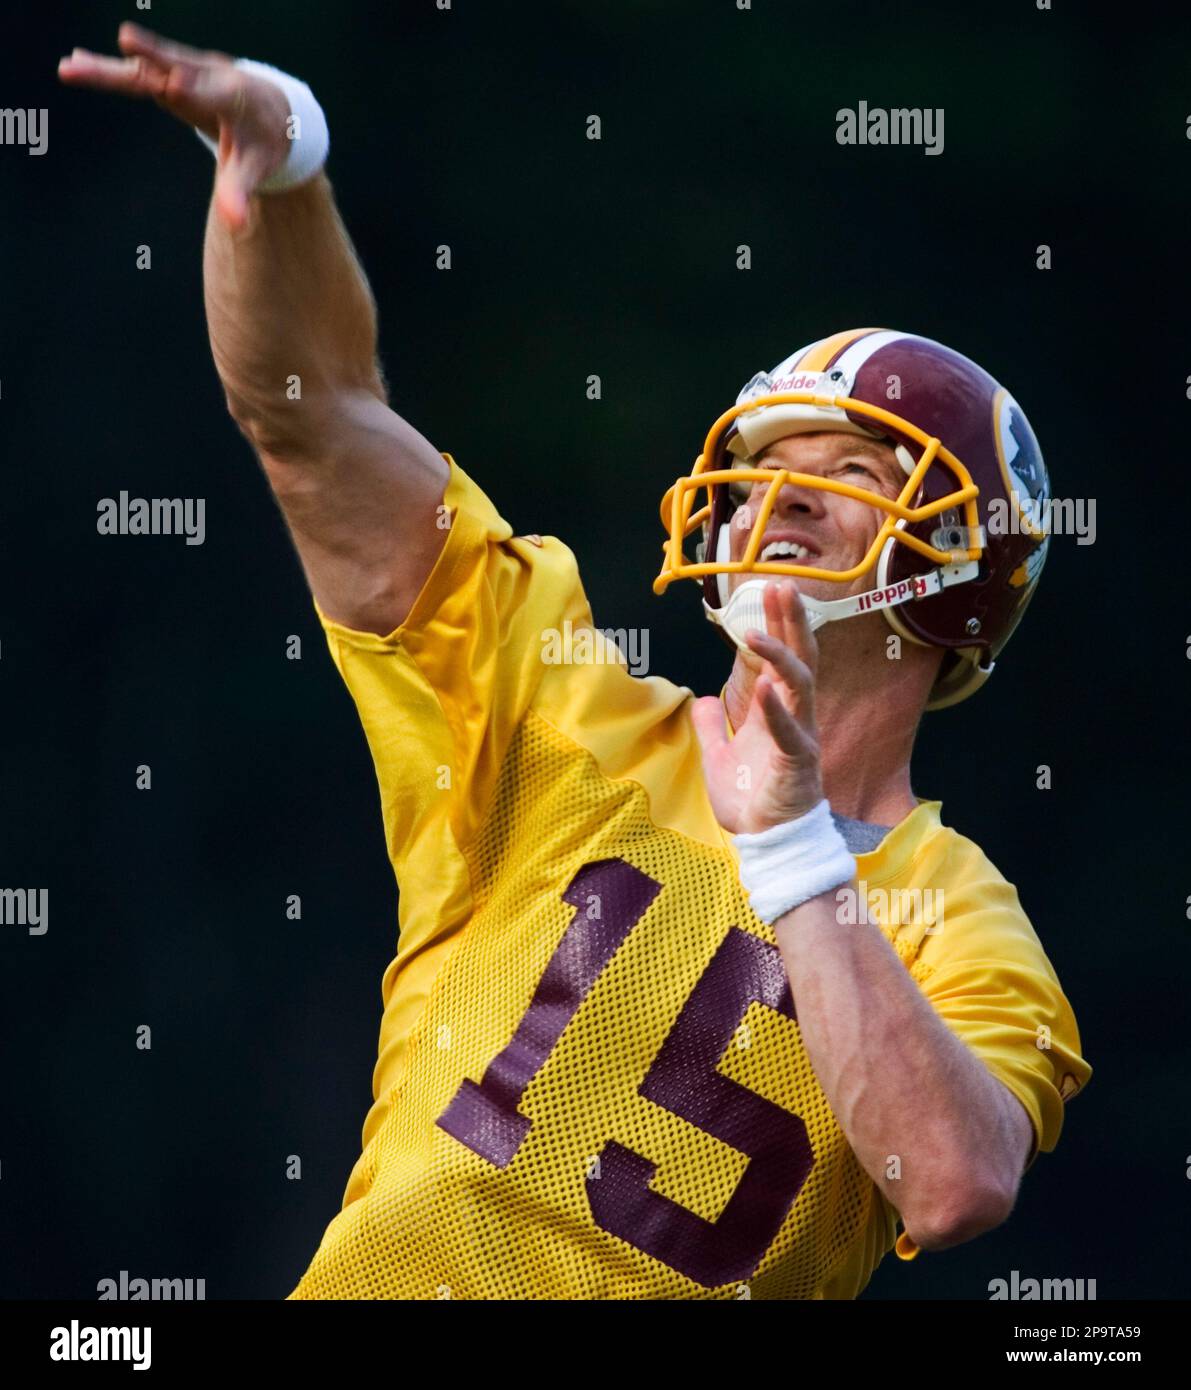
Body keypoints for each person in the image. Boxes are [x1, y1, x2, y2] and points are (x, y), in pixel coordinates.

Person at [59, 26, 1090, 1301]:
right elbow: (310, 407)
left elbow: (951, 1181)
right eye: (766, 473)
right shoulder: (554, 695)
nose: (784, 504)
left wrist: (790, 849)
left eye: (852, 479)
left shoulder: (967, 921)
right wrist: (289, 165)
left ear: (960, 575)